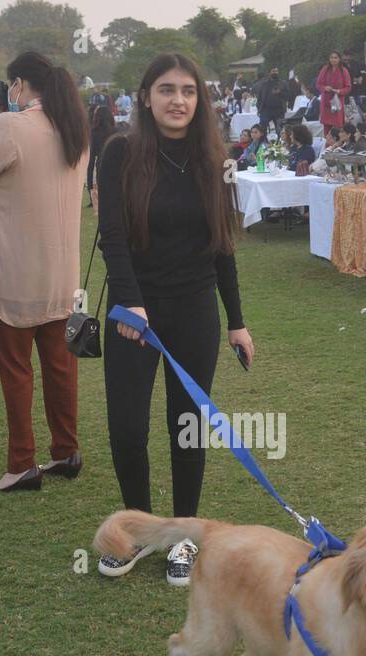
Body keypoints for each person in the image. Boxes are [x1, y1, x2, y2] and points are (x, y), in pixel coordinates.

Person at [95, 53, 252, 586]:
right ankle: (137, 530)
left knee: (186, 428)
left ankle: (183, 535)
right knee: (126, 429)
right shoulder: (119, 154)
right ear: (145, 97)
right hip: (133, 313)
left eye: (188, 91)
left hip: (194, 309)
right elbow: (112, 237)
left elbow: (222, 245)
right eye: (166, 89)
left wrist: (236, 319)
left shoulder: (213, 158)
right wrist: (130, 301)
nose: (178, 100)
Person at [0, 51, 89, 493]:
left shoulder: (10, 127)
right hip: (60, 277)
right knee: (60, 367)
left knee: (16, 371)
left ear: (18, 85)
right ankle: (66, 450)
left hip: (16, 276)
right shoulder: (73, 130)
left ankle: (21, 463)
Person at [316, 51, 352, 134]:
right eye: (331, 57)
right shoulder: (325, 69)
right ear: (329, 59)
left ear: (339, 59)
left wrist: (339, 91)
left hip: (337, 102)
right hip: (326, 102)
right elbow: (318, 84)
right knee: (326, 127)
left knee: (338, 126)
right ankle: (328, 145)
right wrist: (325, 88)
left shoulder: (344, 71)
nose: (333, 59)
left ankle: (337, 144)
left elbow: (348, 87)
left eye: (335, 58)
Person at [87, 103, 116, 205]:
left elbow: (91, 160)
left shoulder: (95, 134)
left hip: (102, 167)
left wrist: (90, 183)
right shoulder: (117, 131)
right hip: (118, 166)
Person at [253, 66, 289, 136]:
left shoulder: (283, 83)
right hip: (266, 110)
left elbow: (288, 96)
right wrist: (259, 108)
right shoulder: (264, 83)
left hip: (279, 110)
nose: (275, 73)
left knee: (280, 130)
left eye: (276, 71)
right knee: (262, 129)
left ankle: (280, 144)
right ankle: (263, 143)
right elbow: (259, 96)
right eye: (273, 71)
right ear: (270, 72)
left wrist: (280, 92)